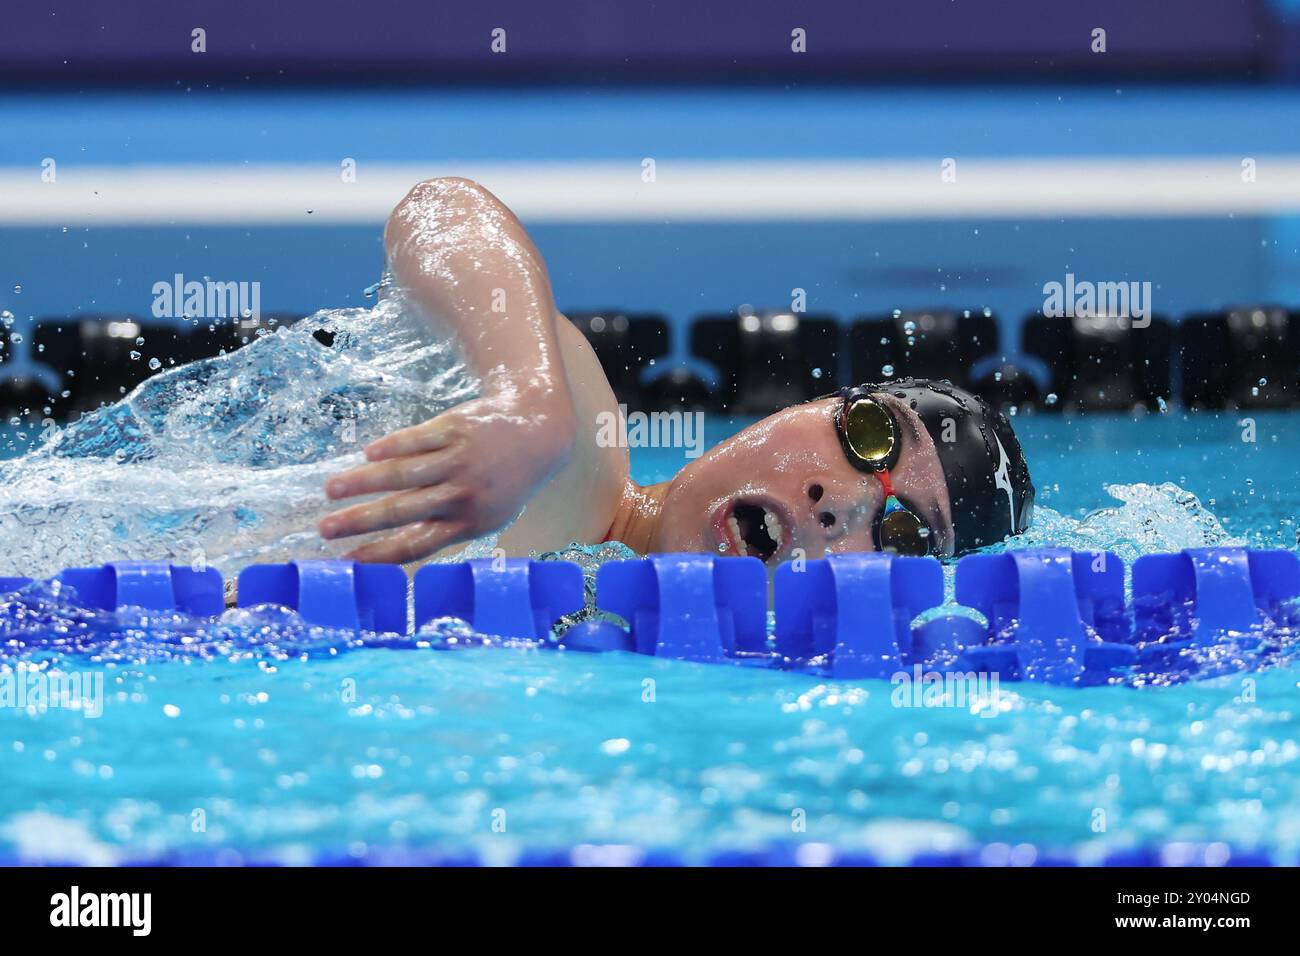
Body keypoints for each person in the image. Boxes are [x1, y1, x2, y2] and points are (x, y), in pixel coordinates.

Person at [317, 178, 1034, 566]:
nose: (834, 503)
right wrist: (528, 403)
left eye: (903, 535)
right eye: (869, 435)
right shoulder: (570, 464)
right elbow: (443, 212)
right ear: (805, 406)